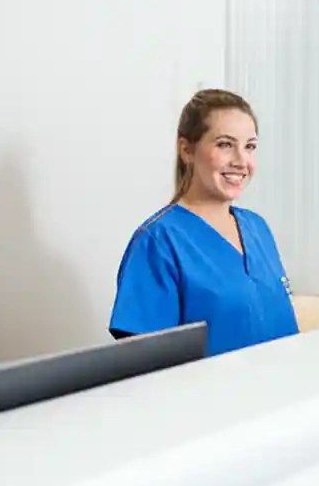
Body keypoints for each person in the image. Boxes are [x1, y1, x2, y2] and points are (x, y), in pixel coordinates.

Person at [109, 89, 299, 357]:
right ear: (187, 150)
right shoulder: (158, 242)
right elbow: (144, 368)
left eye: (250, 146)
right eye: (225, 144)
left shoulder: (258, 228)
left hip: (288, 394)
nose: (241, 161)